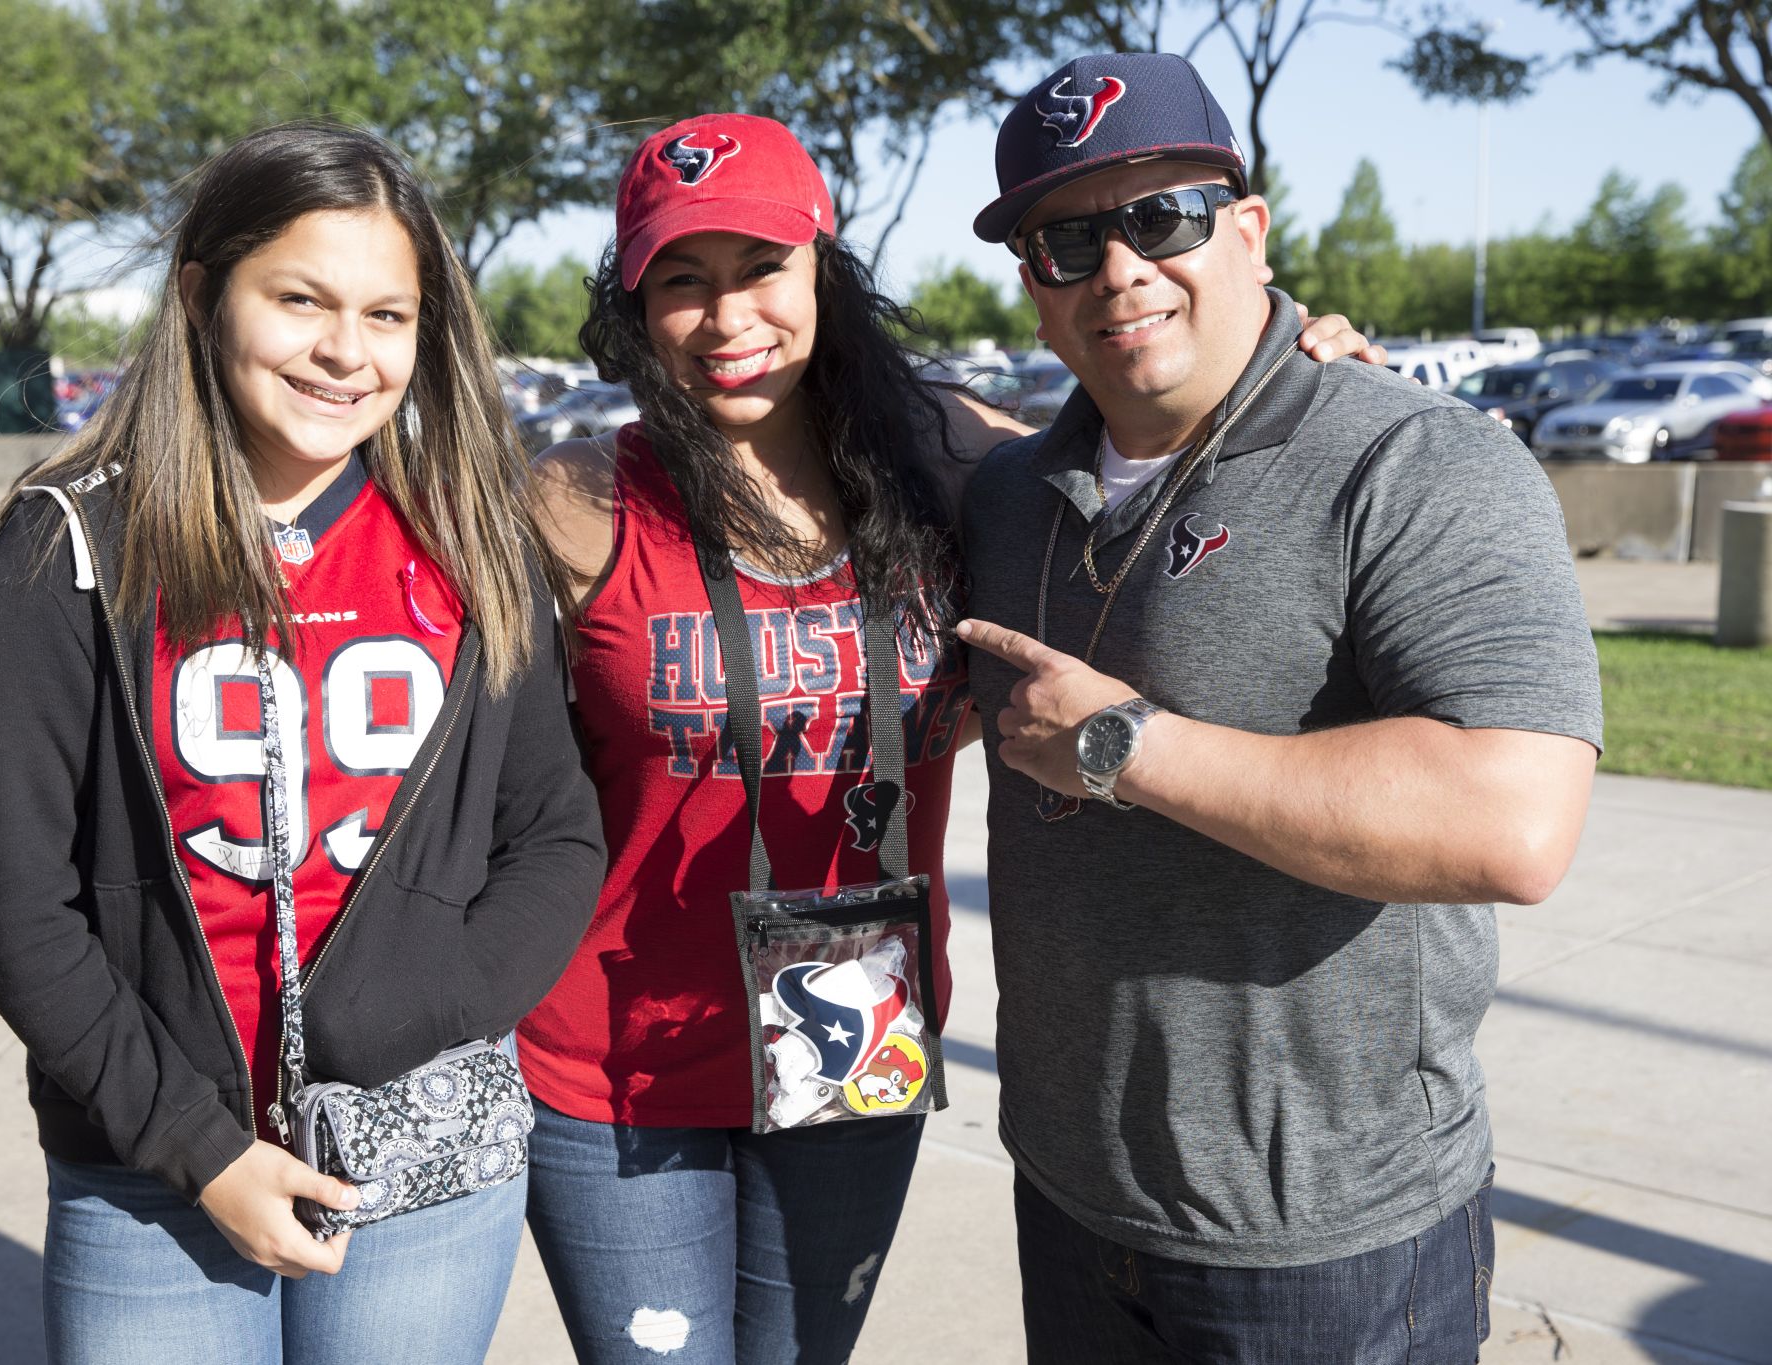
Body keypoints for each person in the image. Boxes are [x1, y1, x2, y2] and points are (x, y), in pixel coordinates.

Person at [518, 112, 1380, 1364]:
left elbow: (1172, 438)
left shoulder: (950, 456)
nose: (726, 316)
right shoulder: (572, 499)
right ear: (632, 306)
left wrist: (1306, 360)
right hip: (613, 1055)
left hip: (855, 1019)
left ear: (822, 266)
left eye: (760, 268)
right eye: (678, 283)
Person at [952, 53, 1604, 1363]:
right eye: (1067, 240)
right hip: (1076, 1196)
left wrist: (1120, 746)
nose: (1122, 271)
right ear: (1033, 288)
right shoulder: (1008, 490)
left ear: (1246, 231)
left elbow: (1514, 820)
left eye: (1163, 218)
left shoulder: (1416, 461)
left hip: (1327, 1240)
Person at [0, 120, 604, 1365]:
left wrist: (431, 1006)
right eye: (299, 300)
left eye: (388, 315)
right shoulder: (65, 551)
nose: (346, 352)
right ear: (201, 296)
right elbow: (5, 902)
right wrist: (195, 1147)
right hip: (150, 1169)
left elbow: (553, 828)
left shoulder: (471, 548)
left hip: (422, 1164)